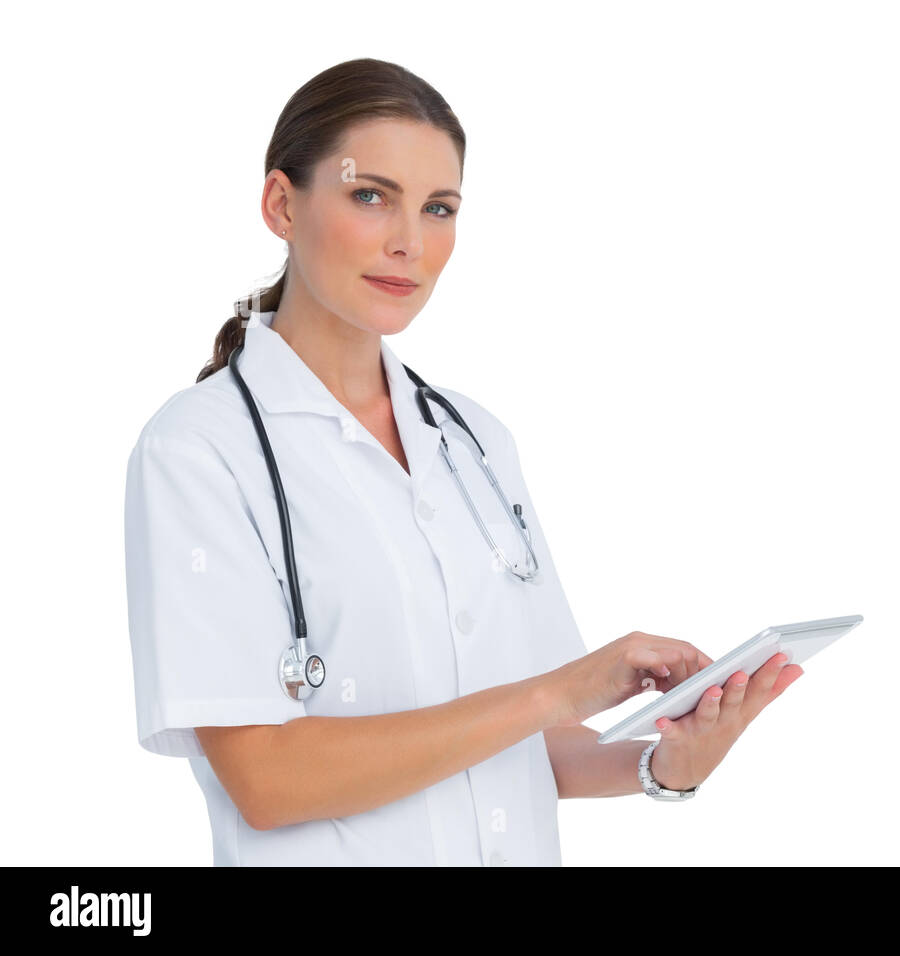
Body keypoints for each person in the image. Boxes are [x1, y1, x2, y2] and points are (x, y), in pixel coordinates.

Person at [123, 57, 804, 867]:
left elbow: (535, 745)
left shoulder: (471, 441)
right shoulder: (199, 451)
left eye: (438, 208)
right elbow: (266, 781)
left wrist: (665, 765)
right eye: (369, 195)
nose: (410, 243)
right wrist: (558, 691)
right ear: (281, 204)